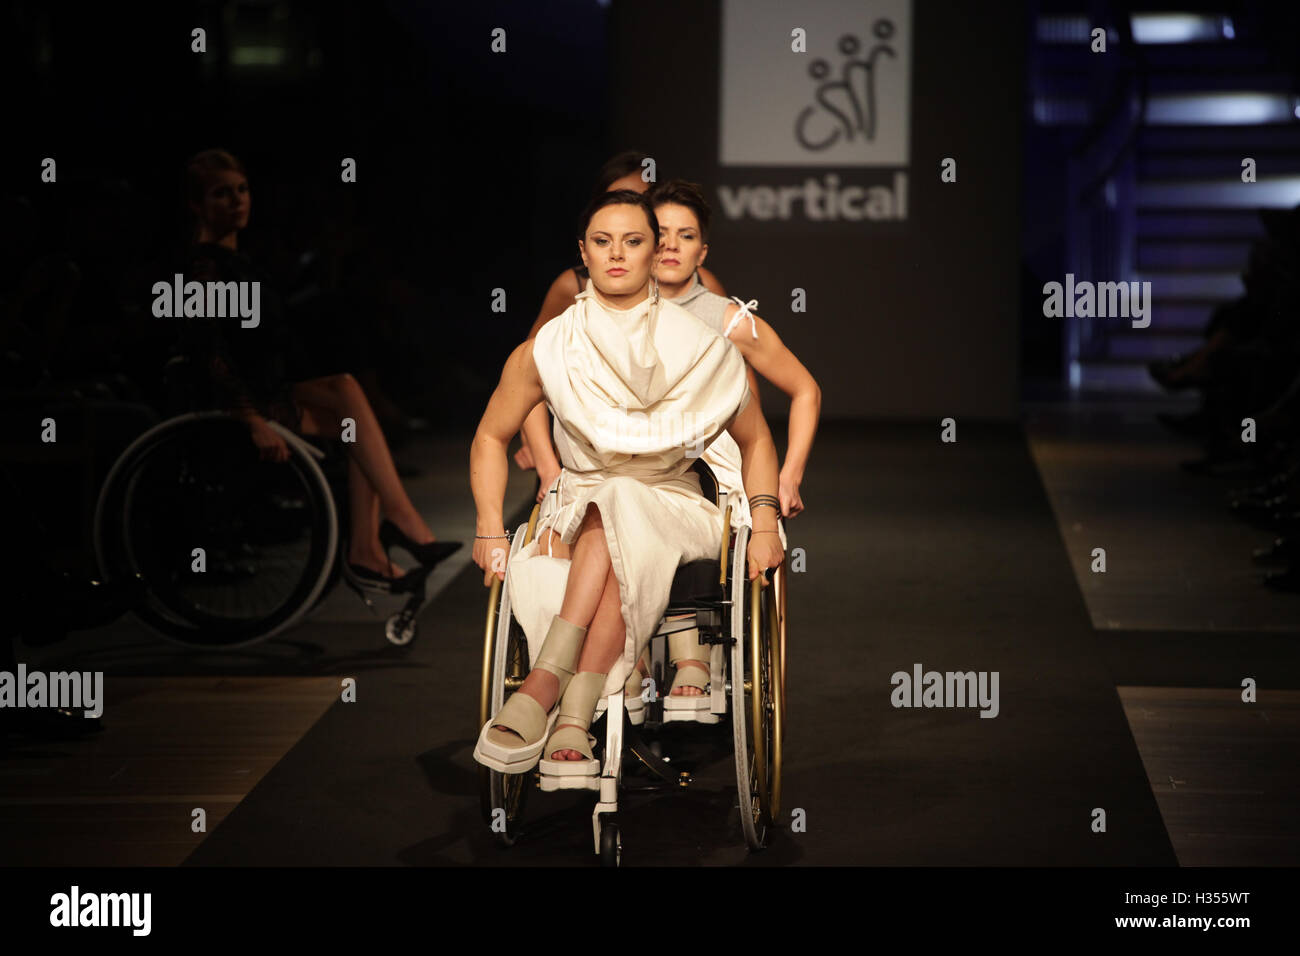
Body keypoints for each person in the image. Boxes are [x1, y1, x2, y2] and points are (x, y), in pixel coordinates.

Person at [470, 189, 783, 777]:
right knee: (611, 501)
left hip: (676, 505)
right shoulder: (550, 346)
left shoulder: (702, 346)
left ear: (652, 250)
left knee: (621, 500)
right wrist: (489, 525)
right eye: (602, 241)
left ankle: (546, 684)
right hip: (582, 499)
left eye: (633, 241)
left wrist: (763, 521)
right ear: (582, 253)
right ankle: (573, 714)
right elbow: (490, 436)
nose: (617, 254)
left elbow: (758, 439)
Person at [178, 149, 458, 590]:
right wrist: (252, 420)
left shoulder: (243, 261)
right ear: (197, 205)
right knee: (348, 398)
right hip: (234, 403)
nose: (237, 201)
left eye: (242, 190)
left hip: (273, 390)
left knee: (351, 406)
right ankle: (397, 526)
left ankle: (372, 545)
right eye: (221, 194)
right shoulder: (204, 268)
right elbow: (209, 352)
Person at [513, 151, 727, 477]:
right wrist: (543, 459)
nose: (627, 209)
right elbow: (530, 371)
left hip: (672, 453)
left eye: (642, 200)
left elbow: (731, 374)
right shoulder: (571, 285)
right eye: (616, 199)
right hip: (580, 455)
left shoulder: (696, 282)